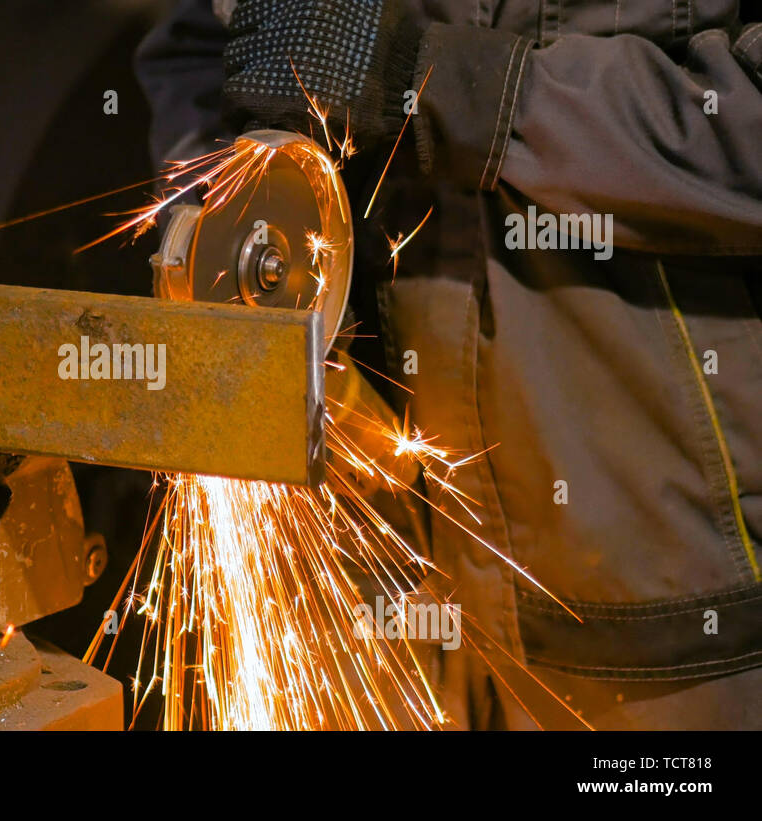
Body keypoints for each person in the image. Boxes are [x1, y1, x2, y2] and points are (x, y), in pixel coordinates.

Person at [138, 0, 762, 729]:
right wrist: (217, 196)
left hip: (674, 603)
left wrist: (441, 84)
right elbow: (203, 44)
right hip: (395, 557)